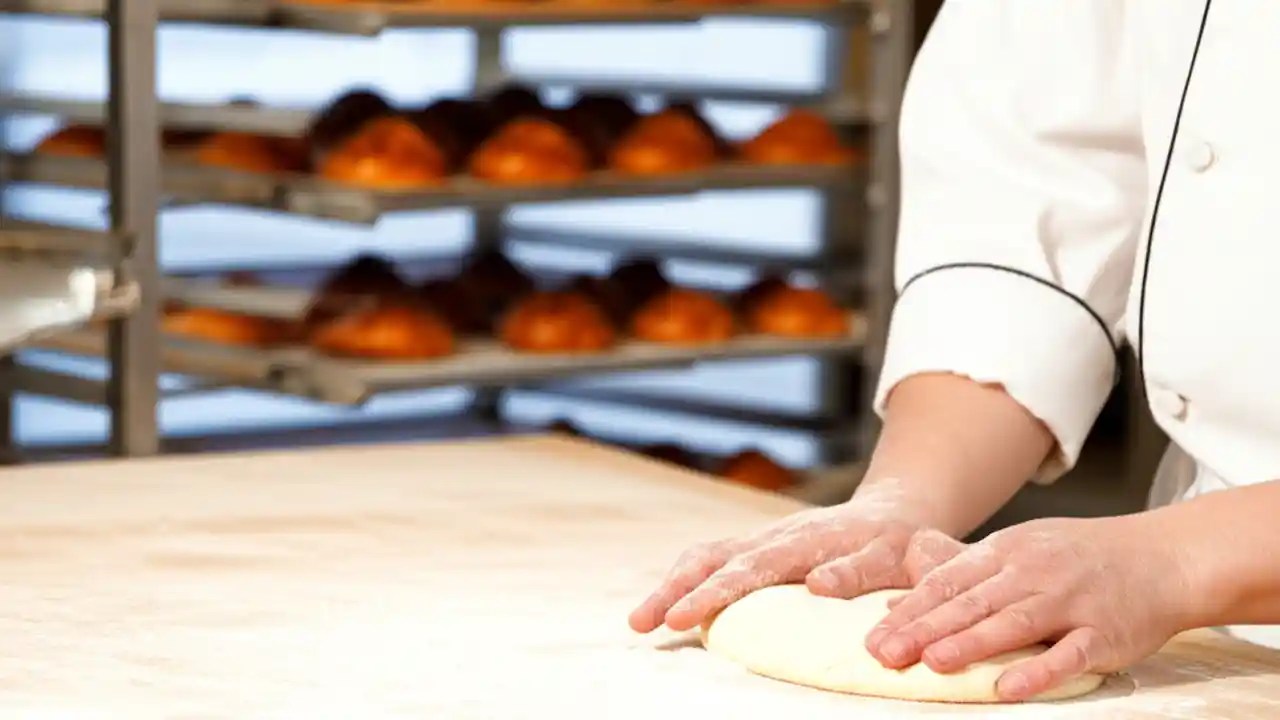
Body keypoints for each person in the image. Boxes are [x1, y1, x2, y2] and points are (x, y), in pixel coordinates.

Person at [628, 1, 1280, 702]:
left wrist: (1177, 564)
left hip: (1172, 589)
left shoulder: (1166, 568)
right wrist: (904, 501)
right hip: (1204, 651)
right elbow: (1027, 174)